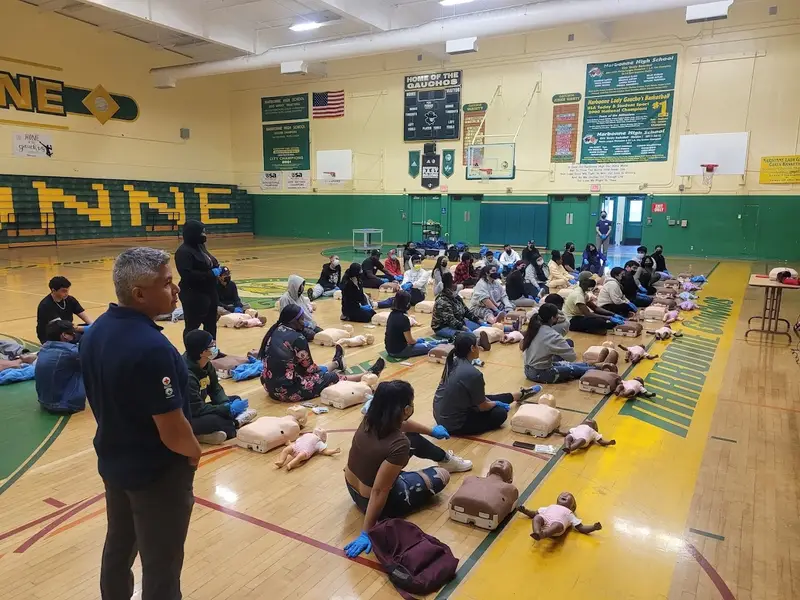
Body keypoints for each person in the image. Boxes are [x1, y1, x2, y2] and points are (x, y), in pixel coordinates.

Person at [80, 247, 202, 600]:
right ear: (139, 294)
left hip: (114, 462)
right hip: (156, 475)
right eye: (167, 283)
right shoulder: (152, 348)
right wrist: (193, 453)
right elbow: (171, 426)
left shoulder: (96, 331)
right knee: (162, 566)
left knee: (118, 549)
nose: (176, 289)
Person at [343, 380, 472, 558]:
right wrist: (367, 532)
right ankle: (445, 463)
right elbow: (380, 491)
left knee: (411, 439)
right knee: (441, 475)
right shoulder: (399, 444)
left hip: (352, 488)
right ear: (406, 410)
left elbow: (403, 426)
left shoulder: (369, 419)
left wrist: (431, 431)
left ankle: (444, 458)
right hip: (371, 500)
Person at [259, 304, 385, 402]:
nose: (304, 322)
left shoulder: (274, 331)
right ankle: (365, 376)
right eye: (301, 320)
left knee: (313, 370)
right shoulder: (298, 338)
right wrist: (321, 372)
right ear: (294, 321)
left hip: (269, 385)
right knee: (328, 377)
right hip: (287, 391)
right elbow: (310, 369)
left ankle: (336, 363)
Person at [434, 332, 540, 435]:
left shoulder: (453, 361)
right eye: (477, 345)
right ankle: (519, 395)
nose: (479, 348)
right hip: (454, 425)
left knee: (488, 398)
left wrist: (493, 402)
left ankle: (518, 395)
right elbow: (483, 406)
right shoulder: (473, 374)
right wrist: (496, 403)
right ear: (472, 348)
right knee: (500, 413)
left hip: (440, 416)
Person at [183, 329, 254, 445]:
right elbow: (196, 409)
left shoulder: (206, 364)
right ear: (202, 352)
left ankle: (220, 429)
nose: (215, 347)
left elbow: (215, 388)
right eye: (211, 345)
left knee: (235, 399)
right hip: (187, 415)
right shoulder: (187, 375)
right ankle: (232, 424)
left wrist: (225, 404)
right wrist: (226, 410)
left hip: (199, 407)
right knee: (216, 420)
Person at [521, 303, 593, 384]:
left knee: (567, 364)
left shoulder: (533, 327)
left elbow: (521, 345)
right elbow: (572, 357)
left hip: (528, 370)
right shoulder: (552, 335)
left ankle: (595, 364)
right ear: (552, 318)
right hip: (541, 373)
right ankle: (599, 368)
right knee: (576, 369)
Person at [175, 219, 220, 341]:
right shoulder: (183, 252)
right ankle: (193, 355)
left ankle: (212, 351)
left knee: (211, 324)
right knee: (192, 327)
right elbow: (187, 274)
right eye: (202, 232)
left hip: (209, 292)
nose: (204, 235)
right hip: (193, 295)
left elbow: (210, 261)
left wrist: (217, 267)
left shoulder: (201, 247)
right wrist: (210, 273)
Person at [35, 319, 85, 413]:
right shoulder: (71, 352)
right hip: (63, 405)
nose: (74, 335)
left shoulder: (45, 347)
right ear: (64, 335)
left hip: (44, 401)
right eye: (72, 333)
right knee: (89, 367)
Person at [385, 291, 443, 358]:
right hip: (399, 351)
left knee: (422, 341)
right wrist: (417, 341)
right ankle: (444, 344)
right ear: (406, 304)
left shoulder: (391, 314)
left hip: (389, 349)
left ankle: (441, 342)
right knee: (428, 346)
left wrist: (417, 341)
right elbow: (410, 341)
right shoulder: (404, 319)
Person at [36, 276, 92, 344]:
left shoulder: (70, 300)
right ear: (53, 291)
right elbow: (61, 327)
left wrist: (93, 326)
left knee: (92, 330)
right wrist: (89, 329)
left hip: (68, 330)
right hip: (53, 335)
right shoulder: (46, 305)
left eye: (68, 290)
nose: (67, 293)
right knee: (85, 336)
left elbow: (86, 318)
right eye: (64, 291)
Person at [431, 273, 484, 339]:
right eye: (455, 283)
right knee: (466, 336)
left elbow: (466, 311)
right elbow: (451, 321)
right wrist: (465, 329)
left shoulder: (456, 297)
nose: (457, 285)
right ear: (451, 285)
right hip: (443, 327)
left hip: (459, 322)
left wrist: (479, 321)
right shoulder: (442, 301)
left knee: (478, 327)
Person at [279, 275, 321, 340]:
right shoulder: (285, 299)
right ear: (295, 286)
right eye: (301, 285)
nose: (303, 287)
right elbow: (285, 318)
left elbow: (306, 312)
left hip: (304, 324)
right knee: (311, 334)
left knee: (321, 332)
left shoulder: (300, 297)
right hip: (294, 326)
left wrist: (308, 323)